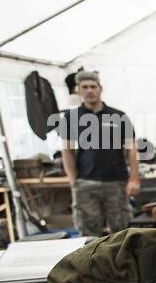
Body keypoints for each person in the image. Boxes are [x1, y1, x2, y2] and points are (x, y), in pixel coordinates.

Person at [56, 70, 138, 237]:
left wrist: (134, 178)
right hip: (86, 184)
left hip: (116, 182)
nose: (89, 90)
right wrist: (73, 180)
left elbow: (131, 149)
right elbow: (67, 151)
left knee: (121, 233)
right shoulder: (71, 118)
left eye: (93, 86)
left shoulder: (118, 116)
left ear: (100, 89)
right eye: (84, 87)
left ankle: (120, 264)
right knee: (89, 234)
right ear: (78, 90)